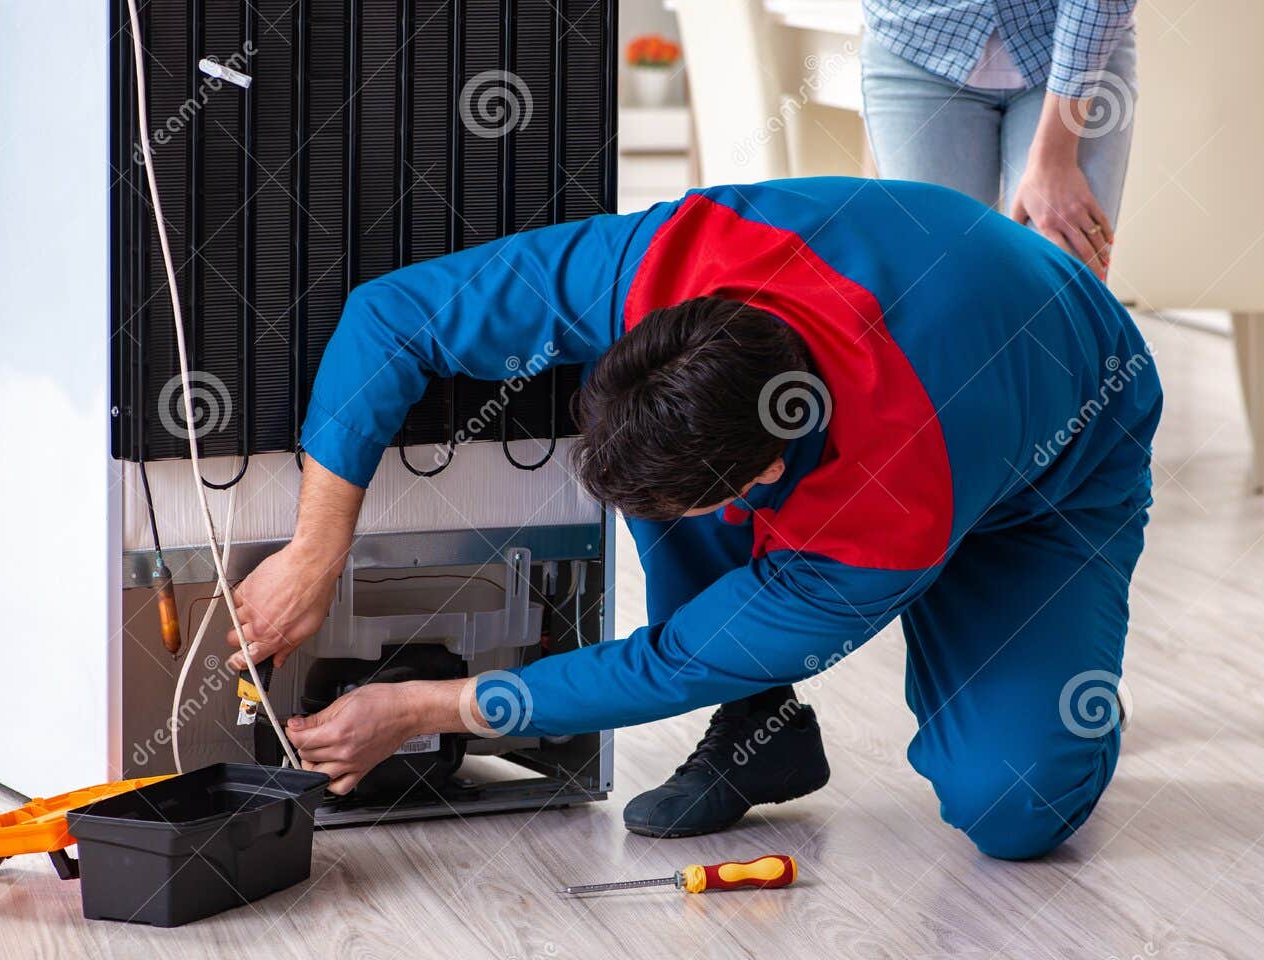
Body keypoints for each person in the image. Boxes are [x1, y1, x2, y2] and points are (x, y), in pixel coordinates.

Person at [226, 176, 1161, 860]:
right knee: (679, 491)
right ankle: (767, 732)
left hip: (1059, 448)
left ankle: (1052, 674)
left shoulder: (880, 519)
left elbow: (673, 660)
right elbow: (393, 318)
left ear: (762, 471)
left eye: (706, 502)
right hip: (938, 330)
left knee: (1014, 803)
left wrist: (426, 708)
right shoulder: (669, 262)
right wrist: (317, 549)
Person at [860, 0, 1138, 279]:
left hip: (1075, 42)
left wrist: (1055, 158)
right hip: (918, 41)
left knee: (1059, 283)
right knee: (941, 284)